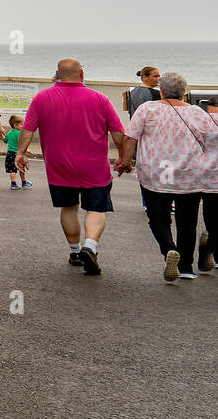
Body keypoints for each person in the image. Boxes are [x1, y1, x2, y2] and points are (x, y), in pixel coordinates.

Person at [16, 58, 127, 275]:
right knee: (96, 208)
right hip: (94, 167)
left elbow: (27, 129)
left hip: (58, 167)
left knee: (69, 208)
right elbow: (118, 133)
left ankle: (75, 251)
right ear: (82, 75)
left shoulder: (41, 98)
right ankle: (90, 246)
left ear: (57, 75)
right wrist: (123, 157)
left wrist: (20, 153)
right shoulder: (100, 99)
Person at [115, 71, 218, 281]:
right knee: (187, 222)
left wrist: (125, 162)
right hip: (189, 174)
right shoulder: (198, 114)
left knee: (158, 217)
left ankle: (169, 249)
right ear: (184, 92)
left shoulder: (147, 109)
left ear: (161, 90)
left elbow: (130, 137)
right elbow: (209, 144)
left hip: (156, 173)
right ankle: (187, 268)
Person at [127, 66, 162, 209]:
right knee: (159, 169)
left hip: (139, 136)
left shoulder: (133, 92)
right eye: (155, 76)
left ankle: (146, 202)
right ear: (145, 77)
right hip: (153, 137)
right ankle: (161, 201)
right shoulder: (155, 94)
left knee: (145, 170)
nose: (158, 79)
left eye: (159, 76)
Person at [4, 114, 32, 189]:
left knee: (12, 170)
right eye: (21, 124)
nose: (23, 126)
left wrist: (2, 134)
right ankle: (24, 182)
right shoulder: (20, 133)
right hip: (17, 154)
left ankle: (13, 184)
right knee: (21, 168)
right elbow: (22, 144)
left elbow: (5, 140)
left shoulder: (10, 133)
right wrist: (27, 150)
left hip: (9, 154)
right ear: (15, 125)